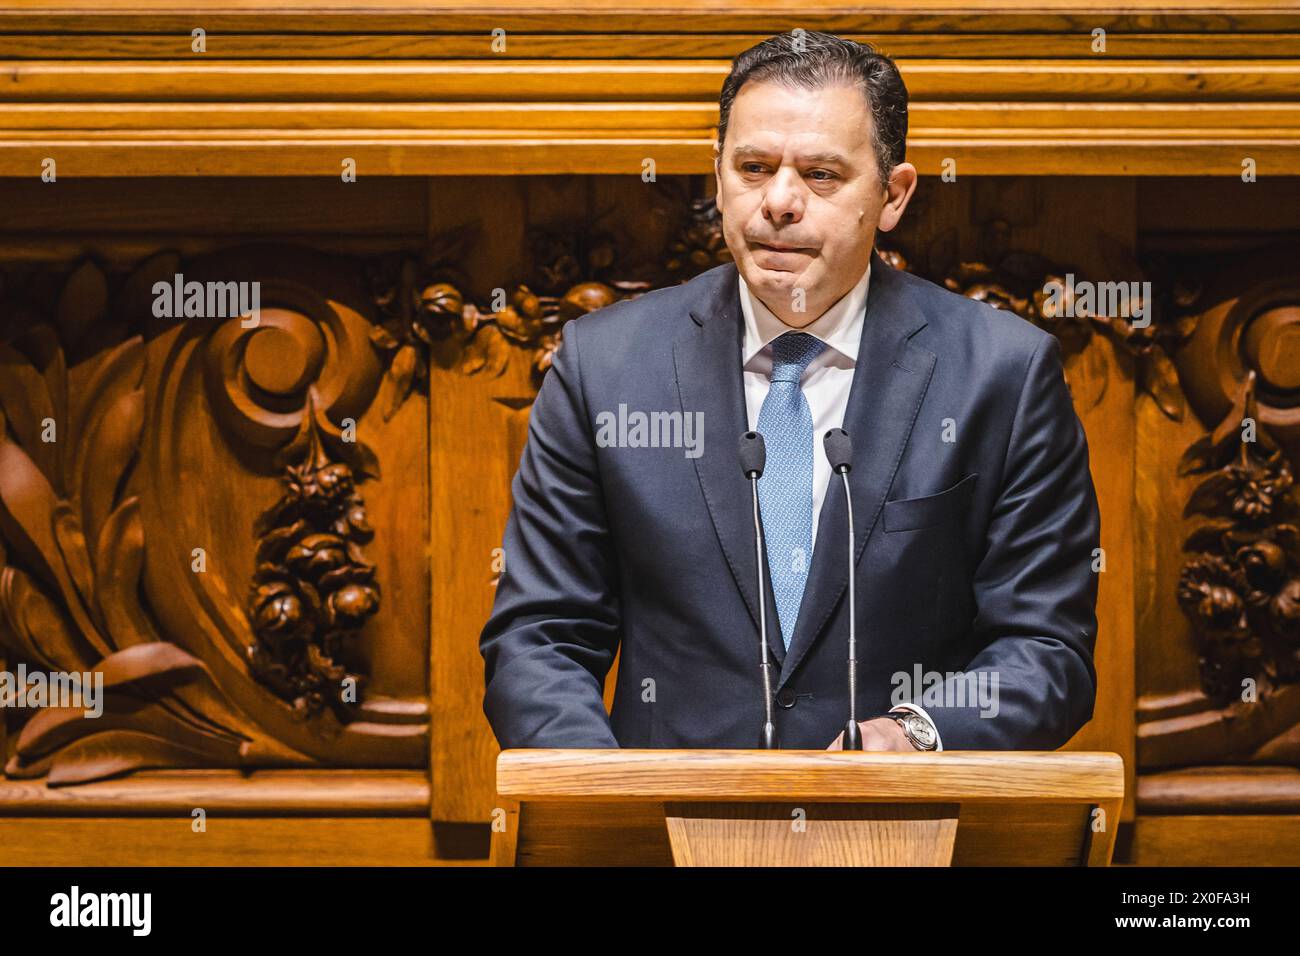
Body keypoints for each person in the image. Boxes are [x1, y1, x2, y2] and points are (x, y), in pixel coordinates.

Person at [480, 31, 1100, 752]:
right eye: (753, 167)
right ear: (717, 179)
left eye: (822, 175)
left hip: (904, 837)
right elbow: (539, 639)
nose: (779, 201)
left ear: (893, 195)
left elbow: (1045, 649)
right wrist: (608, 804)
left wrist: (919, 734)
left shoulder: (1003, 374)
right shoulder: (605, 367)